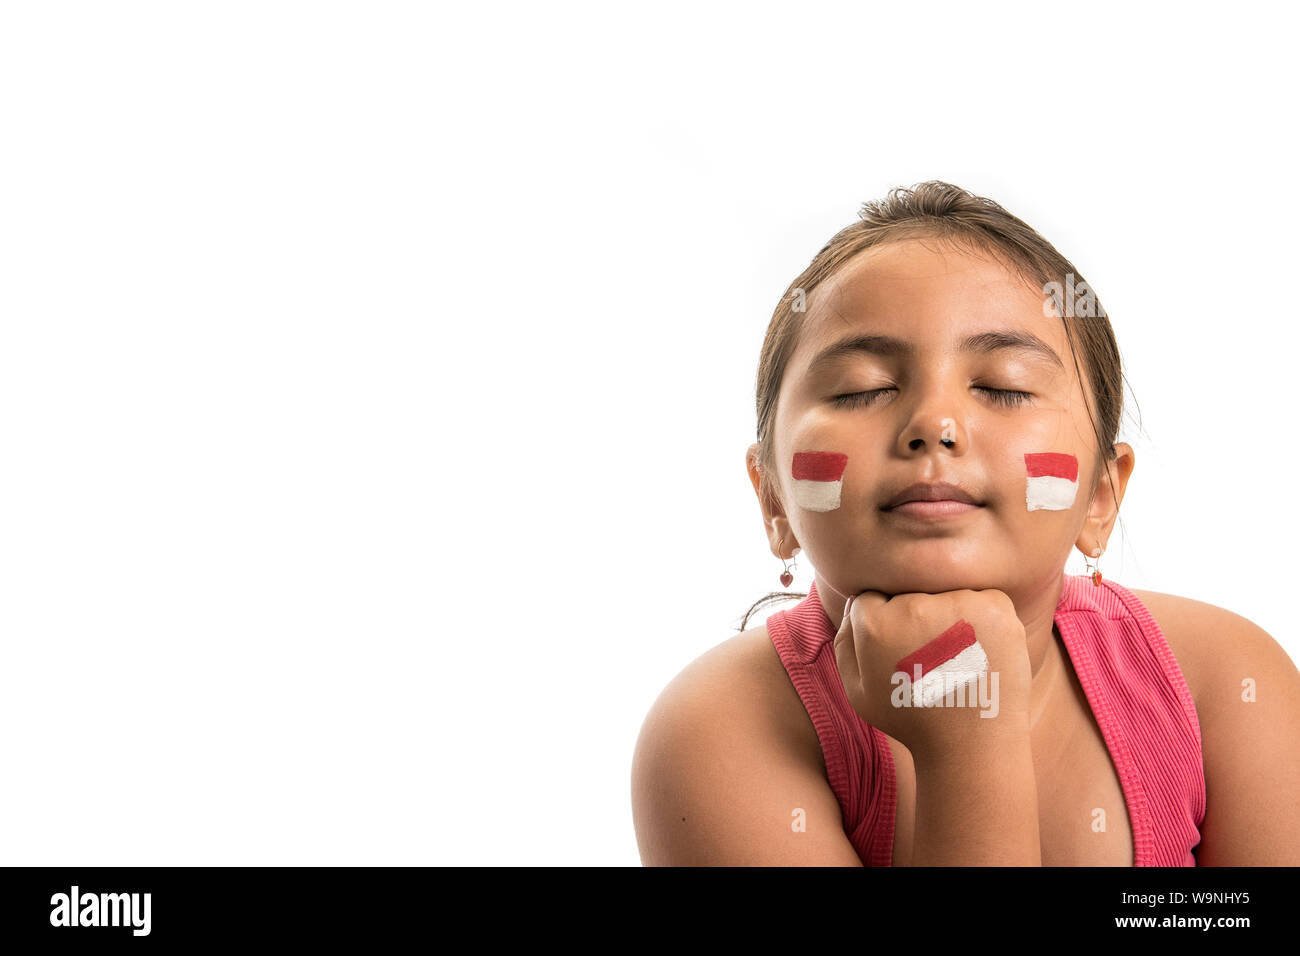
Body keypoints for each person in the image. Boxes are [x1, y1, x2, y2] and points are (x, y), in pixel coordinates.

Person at [630, 181, 1300, 866]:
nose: (935, 425)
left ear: (1099, 496)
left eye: (1004, 385)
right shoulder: (715, 731)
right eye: (863, 388)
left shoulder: (1228, 684)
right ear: (774, 499)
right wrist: (968, 752)